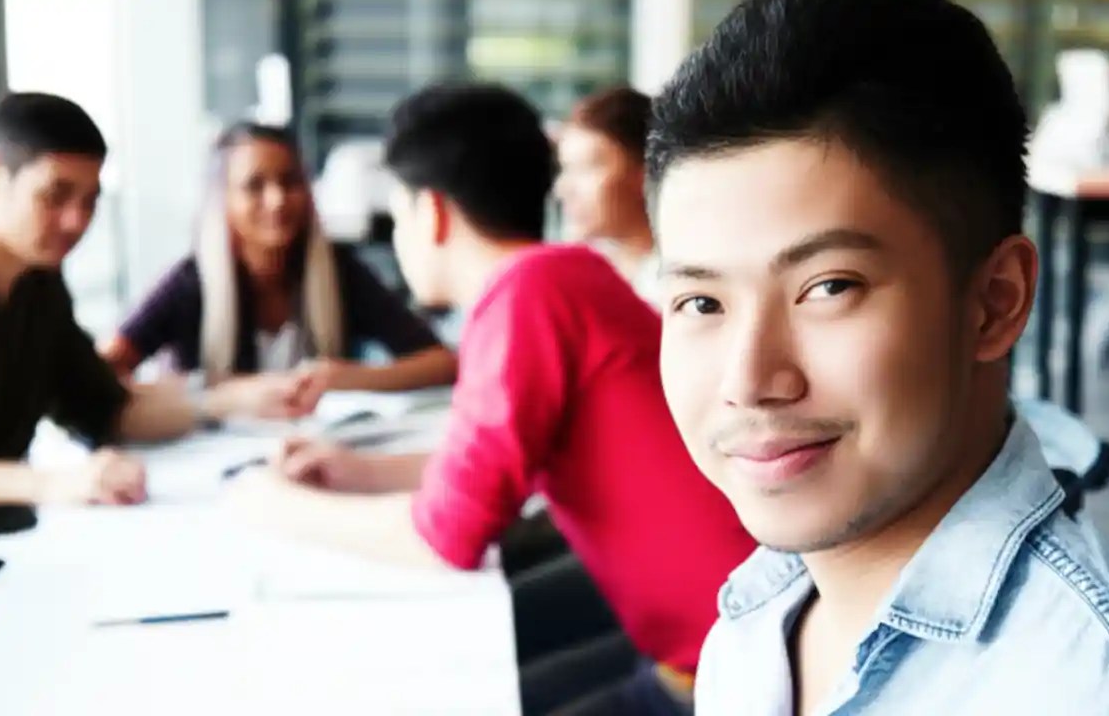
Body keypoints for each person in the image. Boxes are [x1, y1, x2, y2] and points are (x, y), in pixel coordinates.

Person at [646, 0, 1109, 714]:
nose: (749, 381)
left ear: (995, 301)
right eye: (702, 304)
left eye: (828, 287)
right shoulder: (753, 627)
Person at [224, 84, 755, 714]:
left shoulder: (530, 294)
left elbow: (445, 538)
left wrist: (268, 503)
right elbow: (487, 464)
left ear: (434, 214)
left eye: (399, 219)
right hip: (715, 638)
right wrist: (356, 470)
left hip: (729, 672)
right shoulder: (562, 276)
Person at [0, 93, 306, 526]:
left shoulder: (41, 286)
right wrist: (51, 483)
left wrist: (228, 402)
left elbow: (110, 411)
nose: (77, 221)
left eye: (90, 200)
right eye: (55, 195)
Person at [102, 123, 456, 395]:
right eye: (254, 186)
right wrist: (201, 394)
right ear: (222, 199)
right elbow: (101, 375)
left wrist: (355, 379)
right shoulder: (189, 282)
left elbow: (441, 363)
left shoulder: (339, 270)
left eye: (290, 182)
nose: (277, 200)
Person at [554, 87, 657, 301]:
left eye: (587, 168)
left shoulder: (681, 279)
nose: (563, 188)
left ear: (645, 173)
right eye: (566, 168)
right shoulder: (573, 271)